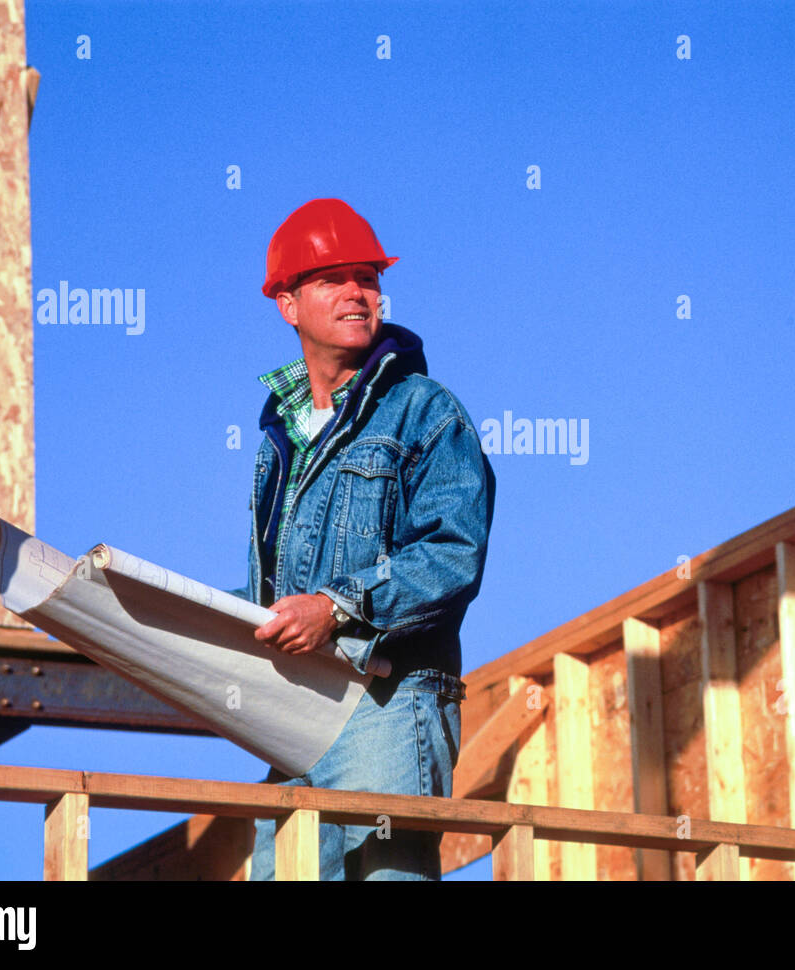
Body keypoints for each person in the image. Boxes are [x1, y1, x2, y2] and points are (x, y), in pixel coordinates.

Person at [238, 198, 496, 880]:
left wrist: (336, 608)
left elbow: (451, 553)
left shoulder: (425, 412)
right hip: (293, 716)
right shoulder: (279, 441)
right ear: (287, 305)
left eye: (368, 277)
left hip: (388, 704)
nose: (358, 292)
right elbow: (271, 596)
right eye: (333, 279)